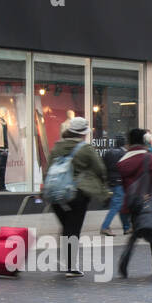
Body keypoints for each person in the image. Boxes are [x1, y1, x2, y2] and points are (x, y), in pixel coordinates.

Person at [45, 116, 106, 278]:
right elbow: (100, 169)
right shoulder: (86, 149)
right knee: (73, 229)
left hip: (56, 194)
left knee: (66, 227)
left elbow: (48, 169)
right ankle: (70, 266)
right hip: (76, 194)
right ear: (83, 133)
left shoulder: (57, 147)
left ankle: (65, 262)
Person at [116, 127, 152, 277]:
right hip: (150, 200)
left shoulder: (123, 161)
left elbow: (124, 184)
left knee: (136, 231)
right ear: (143, 140)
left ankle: (124, 262)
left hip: (133, 202)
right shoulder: (147, 157)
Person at [99, 137, 130, 236]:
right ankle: (105, 227)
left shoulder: (108, 152)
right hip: (120, 182)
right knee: (116, 206)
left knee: (121, 205)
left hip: (111, 182)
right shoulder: (123, 154)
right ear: (124, 144)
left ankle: (127, 227)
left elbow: (103, 167)